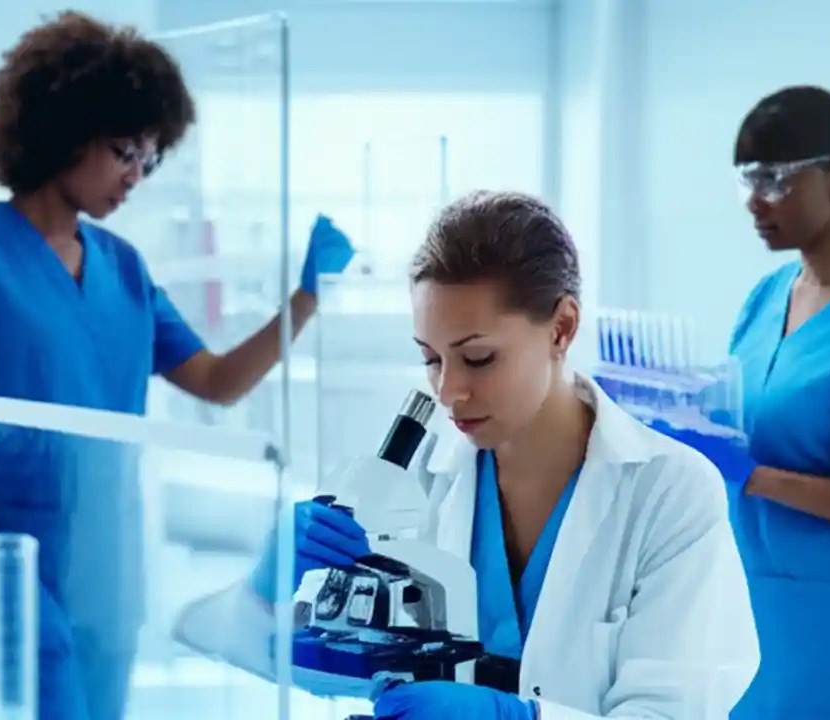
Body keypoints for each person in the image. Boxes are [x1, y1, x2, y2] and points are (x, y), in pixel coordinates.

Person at [0, 11, 355, 720]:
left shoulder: (123, 270)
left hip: (107, 577)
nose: (136, 174)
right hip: (2, 572)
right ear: (65, 130)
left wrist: (306, 298)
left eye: (149, 157)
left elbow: (216, 382)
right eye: (124, 150)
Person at [204, 191, 759, 718]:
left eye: (478, 358)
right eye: (431, 359)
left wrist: (519, 718)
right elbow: (293, 663)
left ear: (561, 329)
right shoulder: (414, 481)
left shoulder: (670, 491)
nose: (448, 392)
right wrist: (267, 591)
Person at [657, 85, 830, 718]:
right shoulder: (765, 296)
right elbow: (741, 420)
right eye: (747, 179)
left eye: (777, 178)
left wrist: (754, 476)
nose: (756, 200)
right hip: (742, 603)